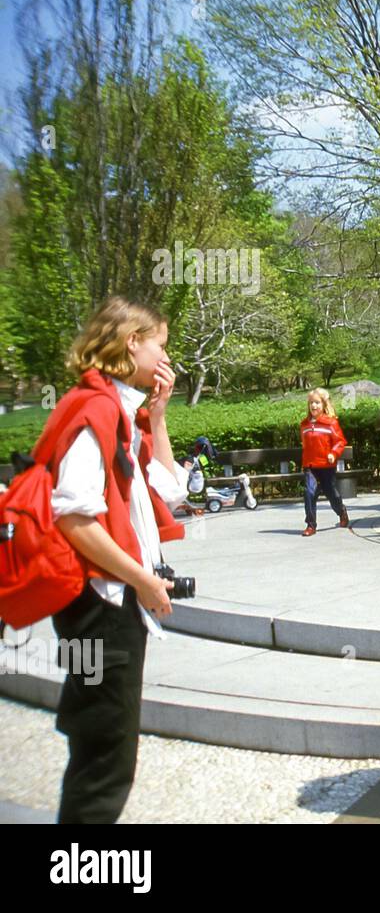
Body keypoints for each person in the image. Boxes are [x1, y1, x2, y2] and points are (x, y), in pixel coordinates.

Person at [39, 295, 190, 823]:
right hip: (99, 612)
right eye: (160, 345)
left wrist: (160, 416)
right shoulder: (98, 409)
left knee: (94, 737)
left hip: (90, 612)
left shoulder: (114, 408)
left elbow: (169, 490)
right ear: (133, 343)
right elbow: (73, 515)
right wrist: (143, 579)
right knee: (105, 754)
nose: (165, 357)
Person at [299, 388, 349, 536]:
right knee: (309, 492)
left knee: (331, 493)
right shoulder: (305, 425)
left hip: (326, 466)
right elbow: (305, 444)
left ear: (323, 404)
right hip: (310, 465)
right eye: (311, 403)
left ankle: (341, 511)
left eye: (317, 403)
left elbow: (340, 441)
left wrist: (333, 453)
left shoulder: (331, 423)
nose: (314, 406)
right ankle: (311, 525)